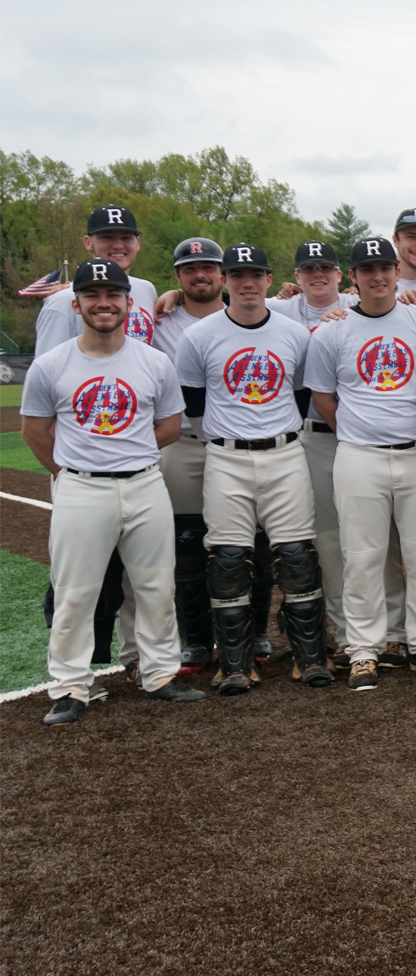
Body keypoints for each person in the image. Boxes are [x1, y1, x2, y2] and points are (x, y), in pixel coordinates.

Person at [21, 257, 208, 725]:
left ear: (128, 301)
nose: (102, 303)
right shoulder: (51, 365)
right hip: (82, 488)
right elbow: (35, 432)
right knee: (76, 592)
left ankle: (160, 674)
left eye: (112, 296)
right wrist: (69, 471)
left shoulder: (154, 361)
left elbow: (167, 425)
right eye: (91, 296)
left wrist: (129, 454)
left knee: (155, 587)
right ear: (77, 303)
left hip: (145, 483)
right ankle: (69, 686)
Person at [173, 242, 328, 692]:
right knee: (227, 559)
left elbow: (302, 395)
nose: (247, 283)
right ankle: (236, 664)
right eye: (238, 275)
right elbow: (195, 403)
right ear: (225, 280)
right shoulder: (199, 336)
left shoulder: (294, 332)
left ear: (267, 279)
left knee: (297, 555)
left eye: (255, 275)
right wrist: (223, 438)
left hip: (284, 453)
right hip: (225, 454)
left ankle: (309, 657)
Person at [305, 238, 416, 690]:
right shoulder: (332, 330)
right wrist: (357, 429)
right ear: (353, 277)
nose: (377, 276)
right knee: (362, 556)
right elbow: (324, 398)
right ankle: (364, 648)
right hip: (359, 455)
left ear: (395, 270)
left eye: (384, 267)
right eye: (367, 269)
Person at [268, 242, 355, 655]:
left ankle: (394, 627)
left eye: (325, 267)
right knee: (327, 538)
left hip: (366, 437)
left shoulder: (359, 301)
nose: (317, 274)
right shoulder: (282, 309)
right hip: (315, 432)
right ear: (296, 276)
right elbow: (229, 299)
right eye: (308, 268)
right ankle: (341, 626)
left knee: (377, 538)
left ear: (340, 274)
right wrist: (172, 294)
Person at [153, 238, 228, 676]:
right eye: (189, 268)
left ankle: (250, 634)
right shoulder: (158, 320)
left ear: (222, 274)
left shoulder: (255, 311)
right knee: (186, 545)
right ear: (178, 276)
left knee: (245, 545)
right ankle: (197, 641)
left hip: (236, 444)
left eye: (208, 267)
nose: (200, 274)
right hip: (181, 442)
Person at [34, 205, 159, 355]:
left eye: (126, 238)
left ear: (137, 243)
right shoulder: (63, 299)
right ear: (88, 242)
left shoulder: (147, 289)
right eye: (107, 237)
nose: (118, 245)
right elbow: (47, 369)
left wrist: (178, 295)